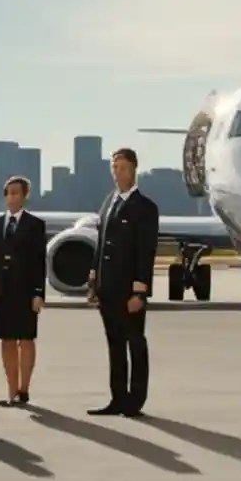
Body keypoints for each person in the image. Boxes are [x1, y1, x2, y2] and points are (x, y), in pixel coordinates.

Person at [88, 148, 160, 418]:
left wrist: (140, 292)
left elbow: (146, 253)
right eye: (114, 167)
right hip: (108, 288)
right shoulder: (109, 203)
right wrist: (94, 280)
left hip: (129, 291)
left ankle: (135, 400)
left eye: (122, 167)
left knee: (135, 343)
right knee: (114, 345)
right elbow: (100, 243)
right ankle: (117, 398)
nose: (117, 173)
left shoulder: (145, 208)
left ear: (134, 170)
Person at [0, 176, 46, 408]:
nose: (11, 197)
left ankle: (24, 389)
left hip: (26, 290)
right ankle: (11, 389)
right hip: (3, 291)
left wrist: (38, 292)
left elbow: (39, 261)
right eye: (8, 193)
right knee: (7, 340)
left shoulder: (35, 224)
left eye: (16, 193)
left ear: (24, 196)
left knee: (26, 339)